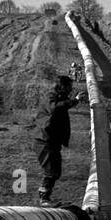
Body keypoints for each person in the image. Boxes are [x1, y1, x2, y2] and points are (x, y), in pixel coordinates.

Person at [32, 75, 86, 205]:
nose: (70, 89)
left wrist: (75, 100)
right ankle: (43, 198)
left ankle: (46, 197)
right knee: (51, 171)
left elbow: (62, 105)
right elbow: (55, 108)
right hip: (44, 141)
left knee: (56, 171)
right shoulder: (50, 97)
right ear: (62, 86)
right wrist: (74, 100)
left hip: (52, 141)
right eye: (69, 87)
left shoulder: (59, 97)